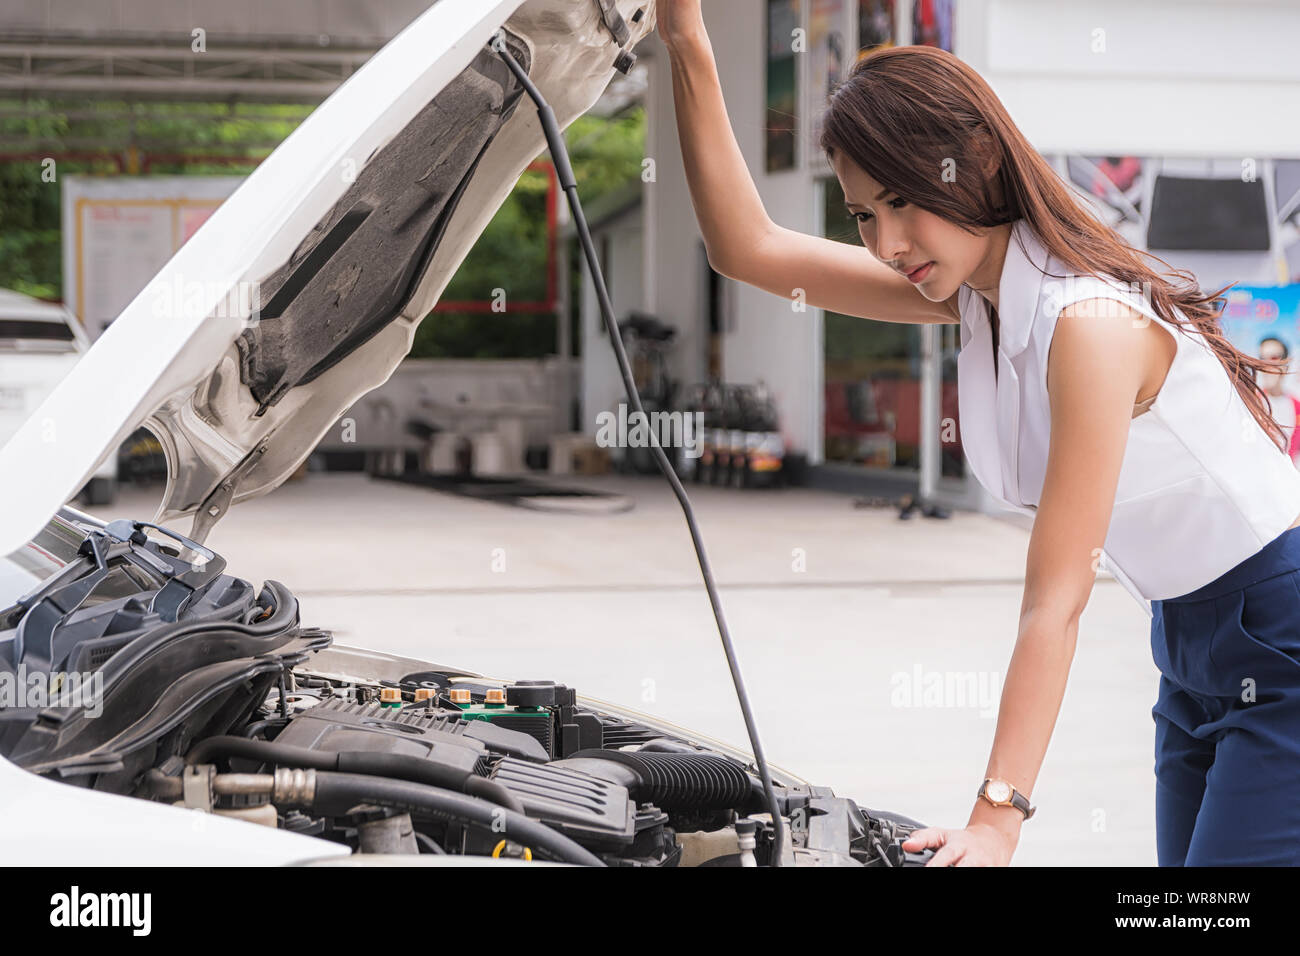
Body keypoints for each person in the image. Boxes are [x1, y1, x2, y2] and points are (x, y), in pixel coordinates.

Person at [658, 0, 1300, 866]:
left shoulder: (1089, 323)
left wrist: (998, 817)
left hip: (1279, 635)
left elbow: (1056, 598)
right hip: (1188, 639)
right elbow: (748, 248)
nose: (886, 243)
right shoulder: (977, 292)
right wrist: (685, 39)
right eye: (860, 215)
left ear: (979, 161)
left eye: (901, 201)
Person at [1258, 335, 1300, 467]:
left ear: (1285, 364)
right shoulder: (1250, 405)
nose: (1267, 365)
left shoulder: (1297, 408)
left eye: (1274, 358)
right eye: (1262, 359)